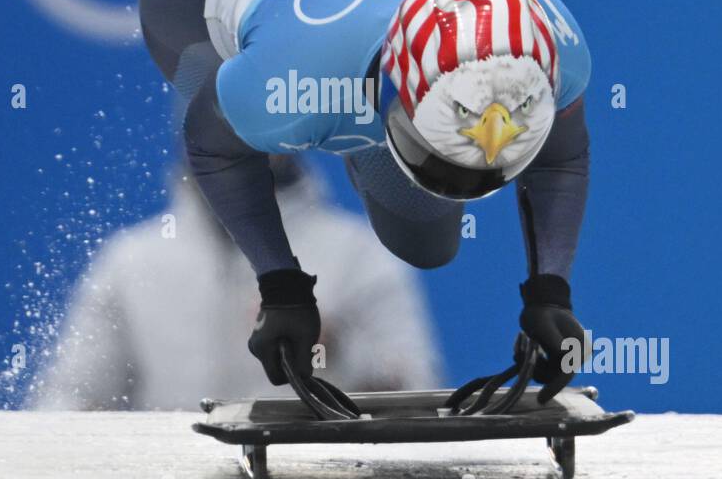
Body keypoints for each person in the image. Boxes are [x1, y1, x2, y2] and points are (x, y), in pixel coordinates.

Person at [139, 0, 591, 398]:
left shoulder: (557, 49)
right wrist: (282, 286)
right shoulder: (289, 84)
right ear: (387, 92)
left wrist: (551, 292)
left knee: (426, 239)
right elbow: (212, 151)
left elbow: (561, 158)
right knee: (187, 17)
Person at [31, 156, 440, 410]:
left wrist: (338, 350)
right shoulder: (132, 260)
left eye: (249, 112)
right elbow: (71, 398)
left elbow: (419, 395)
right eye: (215, 111)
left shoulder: (356, 253)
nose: (231, 132)